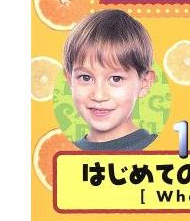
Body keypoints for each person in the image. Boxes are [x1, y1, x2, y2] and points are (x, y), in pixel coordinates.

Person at [63, 9, 157, 150]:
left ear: (144, 83)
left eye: (116, 79)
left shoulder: (166, 150)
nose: (99, 96)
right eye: (85, 77)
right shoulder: (63, 153)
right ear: (70, 80)